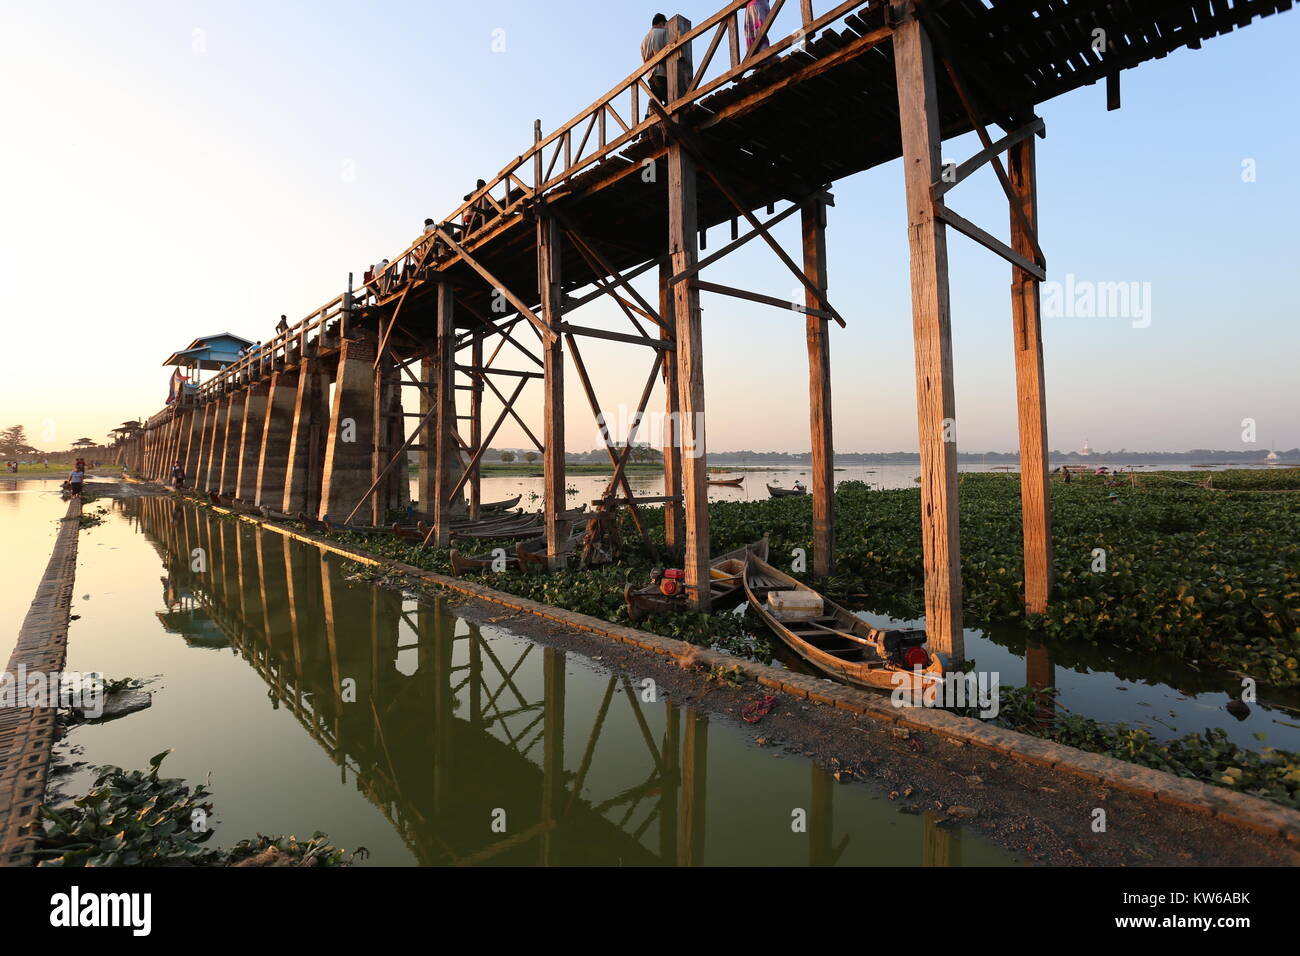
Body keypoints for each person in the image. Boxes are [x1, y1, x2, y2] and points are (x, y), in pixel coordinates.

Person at [641, 14, 669, 107]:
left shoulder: (643, 41)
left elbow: (644, 61)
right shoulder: (663, 32)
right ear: (662, 22)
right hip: (662, 73)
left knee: (657, 102)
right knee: (671, 100)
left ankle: (650, 115)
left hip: (650, 76)